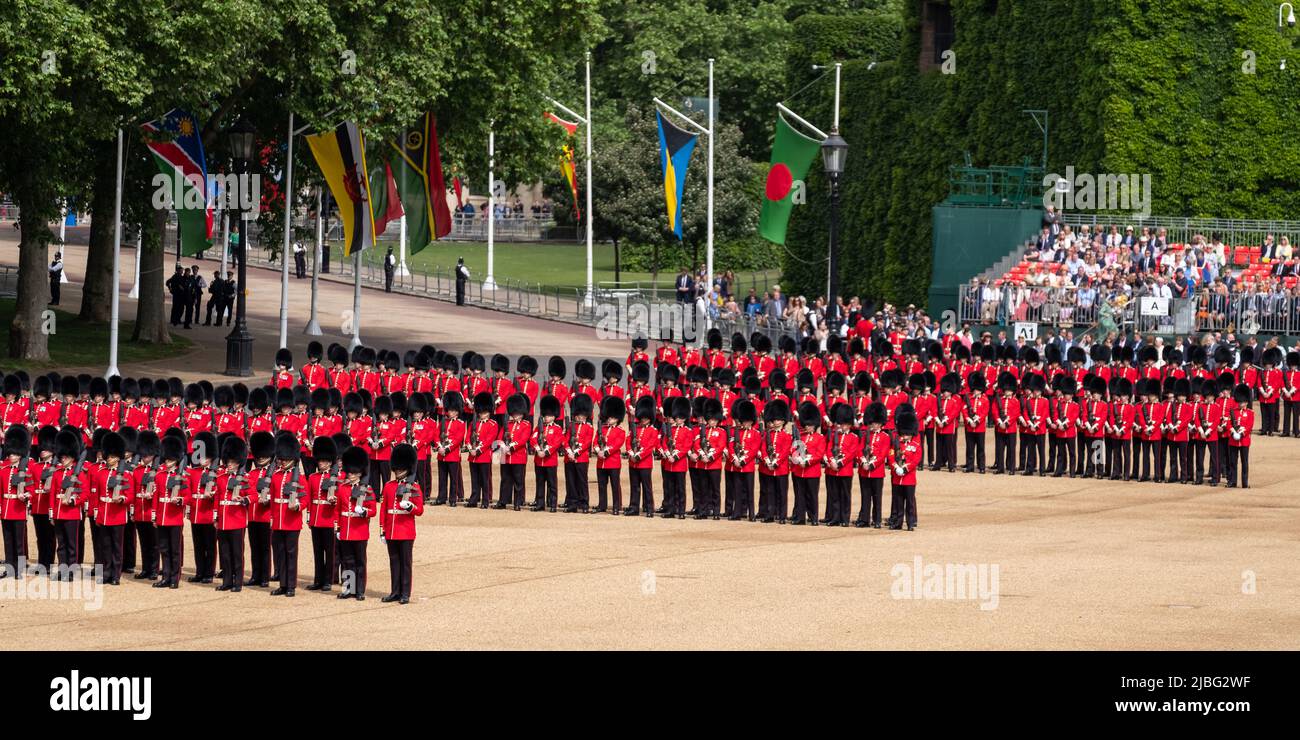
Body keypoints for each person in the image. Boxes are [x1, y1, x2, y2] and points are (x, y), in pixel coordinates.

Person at [380, 443, 423, 603]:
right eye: (396, 469)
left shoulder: (414, 486)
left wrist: (410, 506)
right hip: (391, 530)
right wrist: (382, 531)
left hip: (405, 531)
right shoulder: (389, 486)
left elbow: (419, 510)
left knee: (405, 563)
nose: (398, 471)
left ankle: (405, 593)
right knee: (394, 562)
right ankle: (395, 591)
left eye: (400, 468)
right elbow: (384, 510)